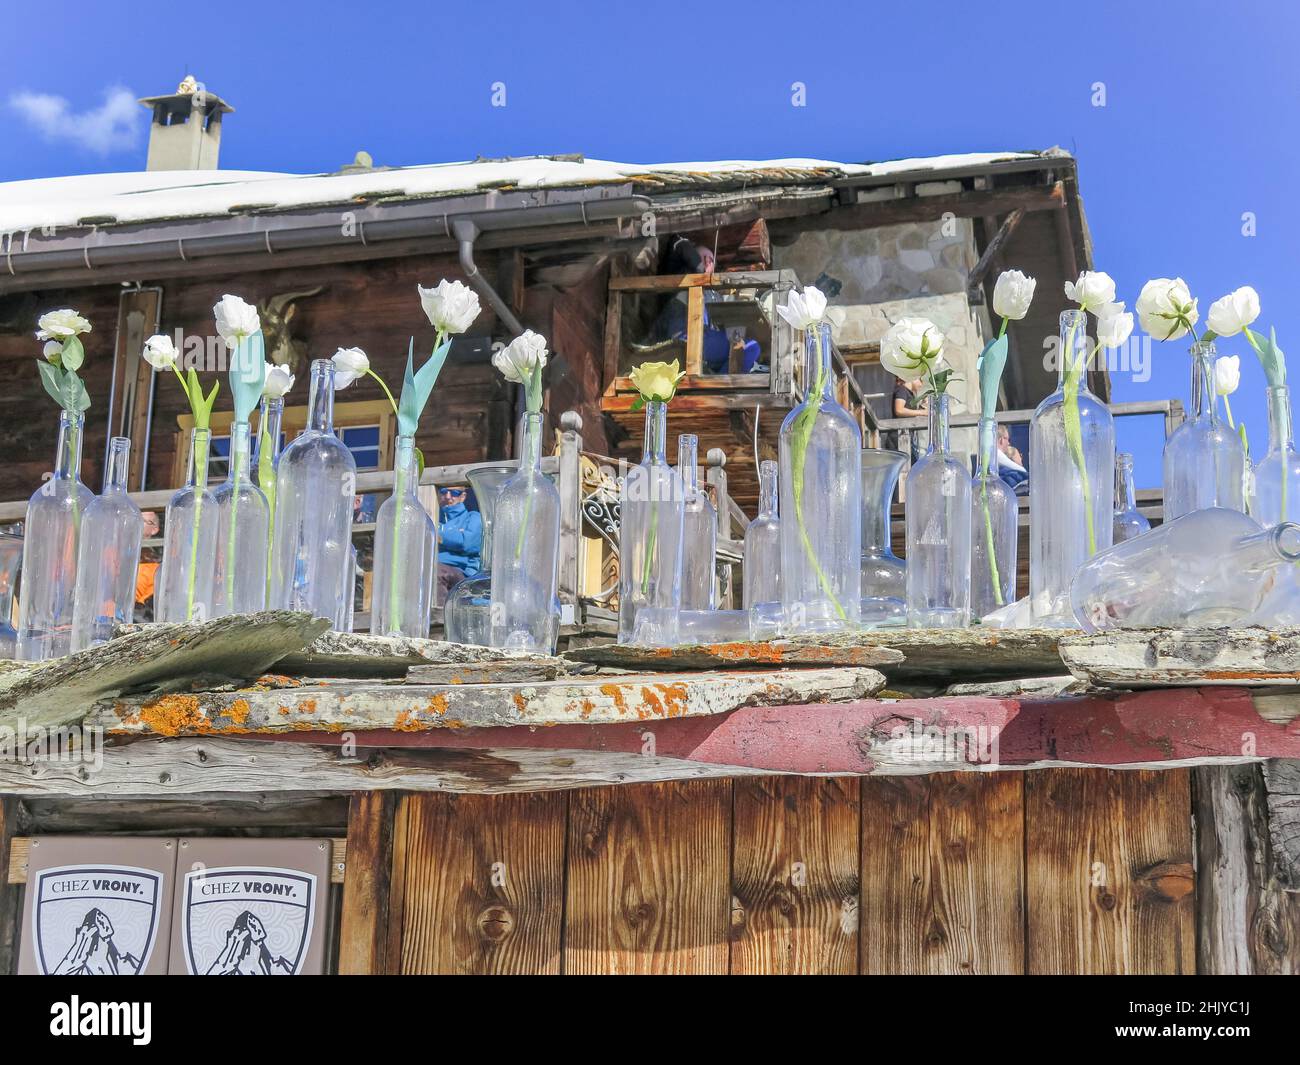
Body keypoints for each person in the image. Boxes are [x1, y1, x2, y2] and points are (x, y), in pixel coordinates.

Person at [437, 485, 482, 603]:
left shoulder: (473, 517)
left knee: (436, 571)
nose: (448, 496)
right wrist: (454, 537)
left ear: (463, 497)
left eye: (455, 493)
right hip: (435, 567)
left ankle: (439, 618)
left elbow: (466, 543)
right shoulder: (434, 518)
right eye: (443, 491)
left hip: (464, 577)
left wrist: (438, 536)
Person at [891, 377, 930, 461]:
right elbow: (899, 410)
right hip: (898, 438)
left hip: (907, 437)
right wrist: (922, 412)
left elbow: (910, 414)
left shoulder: (909, 394)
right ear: (912, 378)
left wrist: (922, 407)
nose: (921, 384)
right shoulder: (902, 390)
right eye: (920, 380)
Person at [134, 510, 161, 623]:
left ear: (154, 530)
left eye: (144, 521)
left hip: (142, 616)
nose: (138, 523)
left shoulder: (157, 563)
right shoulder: (120, 552)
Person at [996, 423, 1029, 493]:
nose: (1008, 443)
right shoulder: (996, 453)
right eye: (1007, 439)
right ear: (1001, 439)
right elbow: (1022, 471)